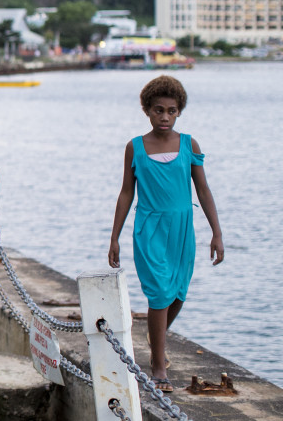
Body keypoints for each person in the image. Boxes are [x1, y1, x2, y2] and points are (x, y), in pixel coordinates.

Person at [108, 75, 224, 393]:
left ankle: (154, 338)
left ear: (179, 112)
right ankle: (158, 368)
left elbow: (203, 190)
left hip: (183, 229)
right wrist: (114, 236)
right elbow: (125, 194)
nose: (165, 117)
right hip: (150, 229)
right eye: (158, 110)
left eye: (171, 111)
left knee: (177, 294)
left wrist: (217, 233)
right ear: (147, 110)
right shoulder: (135, 148)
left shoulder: (189, 145)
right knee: (159, 293)